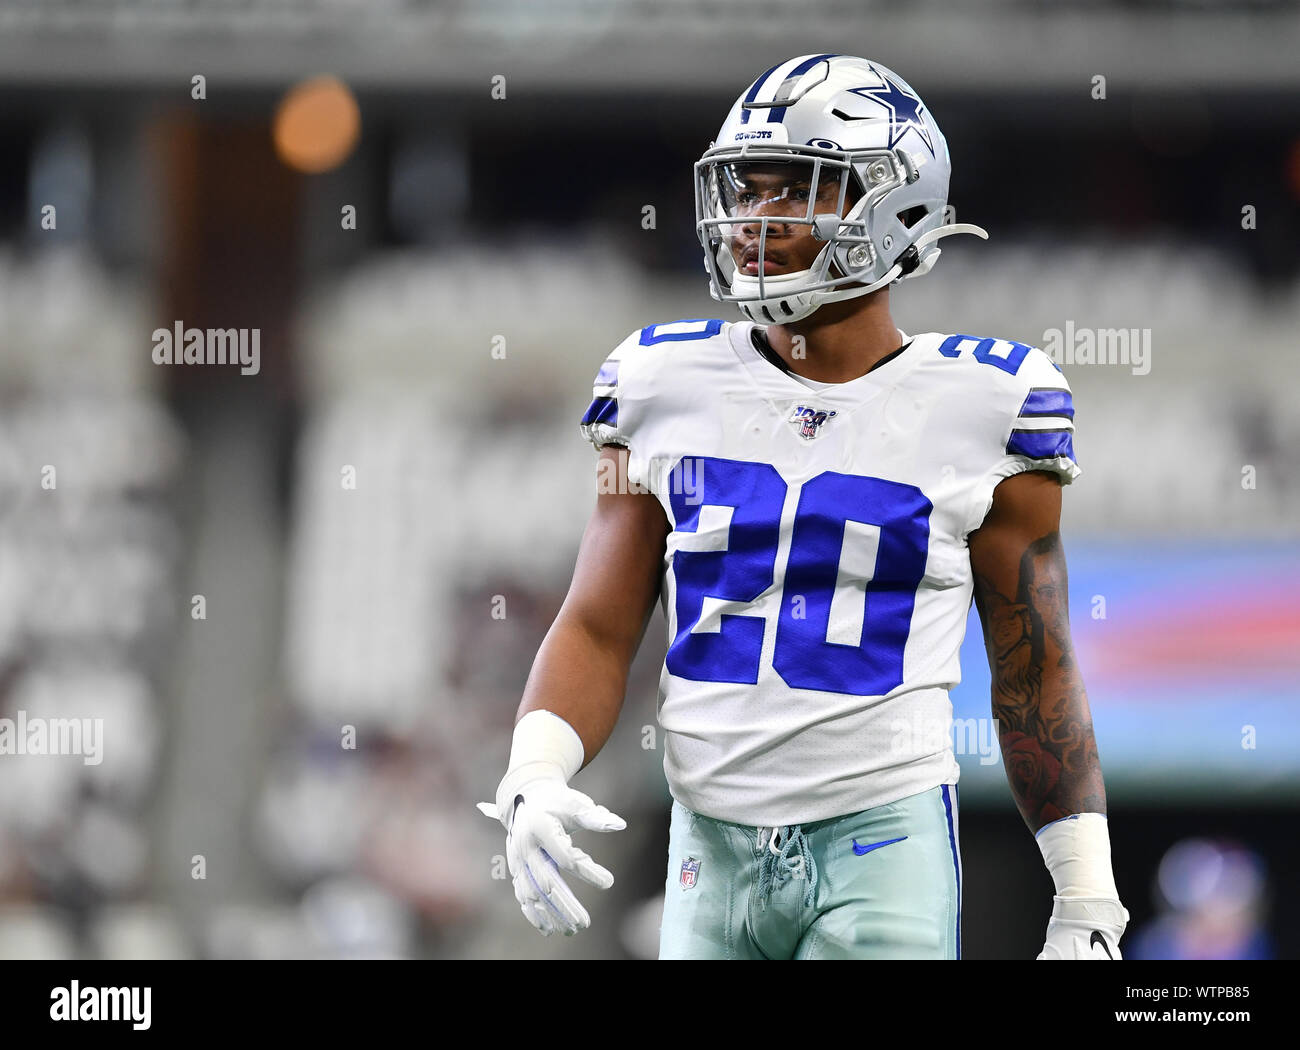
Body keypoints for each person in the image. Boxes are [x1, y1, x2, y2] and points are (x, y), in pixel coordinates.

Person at [478, 53, 1128, 959]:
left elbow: (1033, 666)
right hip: (705, 849)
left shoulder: (988, 404)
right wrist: (534, 771)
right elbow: (596, 624)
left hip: (882, 841)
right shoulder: (662, 381)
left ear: (896, 204)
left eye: (800, 191)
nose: (757, 220)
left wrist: (1085, 890)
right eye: (748, 191)